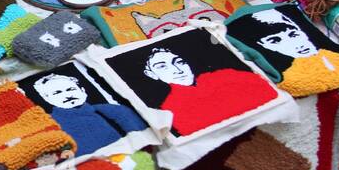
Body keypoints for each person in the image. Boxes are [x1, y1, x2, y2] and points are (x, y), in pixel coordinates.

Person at [119, 40, 278, 138]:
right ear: (151, 74)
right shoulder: (170, 108)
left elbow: (267, 91)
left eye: (179, 62)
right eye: (162, 67)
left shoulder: (223, 76)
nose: (177, 69)